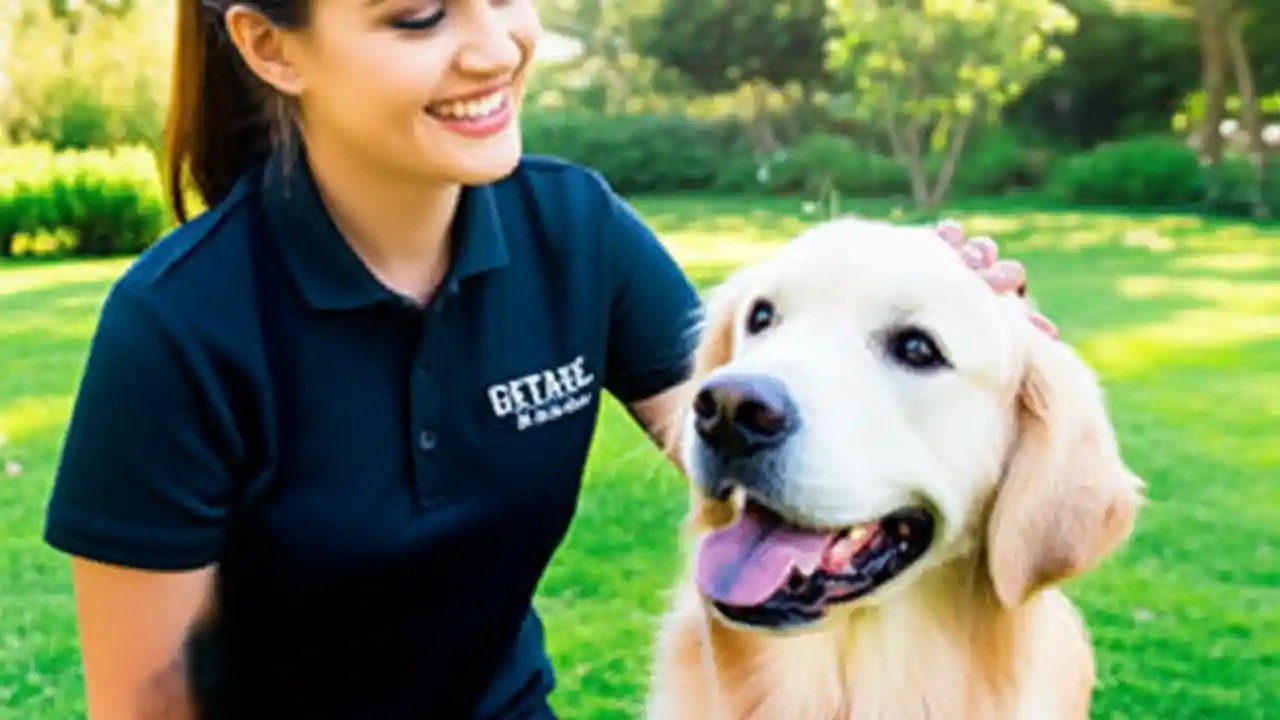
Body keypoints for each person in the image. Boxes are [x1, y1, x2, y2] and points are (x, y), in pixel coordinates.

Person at [41, 0, 1048, 718]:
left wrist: (937, 335)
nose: (496, 47)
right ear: (271, 46)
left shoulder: (575, 229)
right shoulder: (177, 326)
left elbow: (754, 431)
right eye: (420, 17)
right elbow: (144, 698)